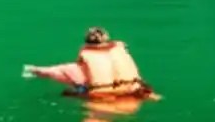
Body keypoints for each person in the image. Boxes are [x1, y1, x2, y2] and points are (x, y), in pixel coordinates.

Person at [25, 27, 158, 100]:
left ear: (86, 45)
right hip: (137, 96)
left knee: (68, 93)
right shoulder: (121, 53)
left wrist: (31, 69)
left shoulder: (78, 68)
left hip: (104, 103)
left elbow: (47, 72)